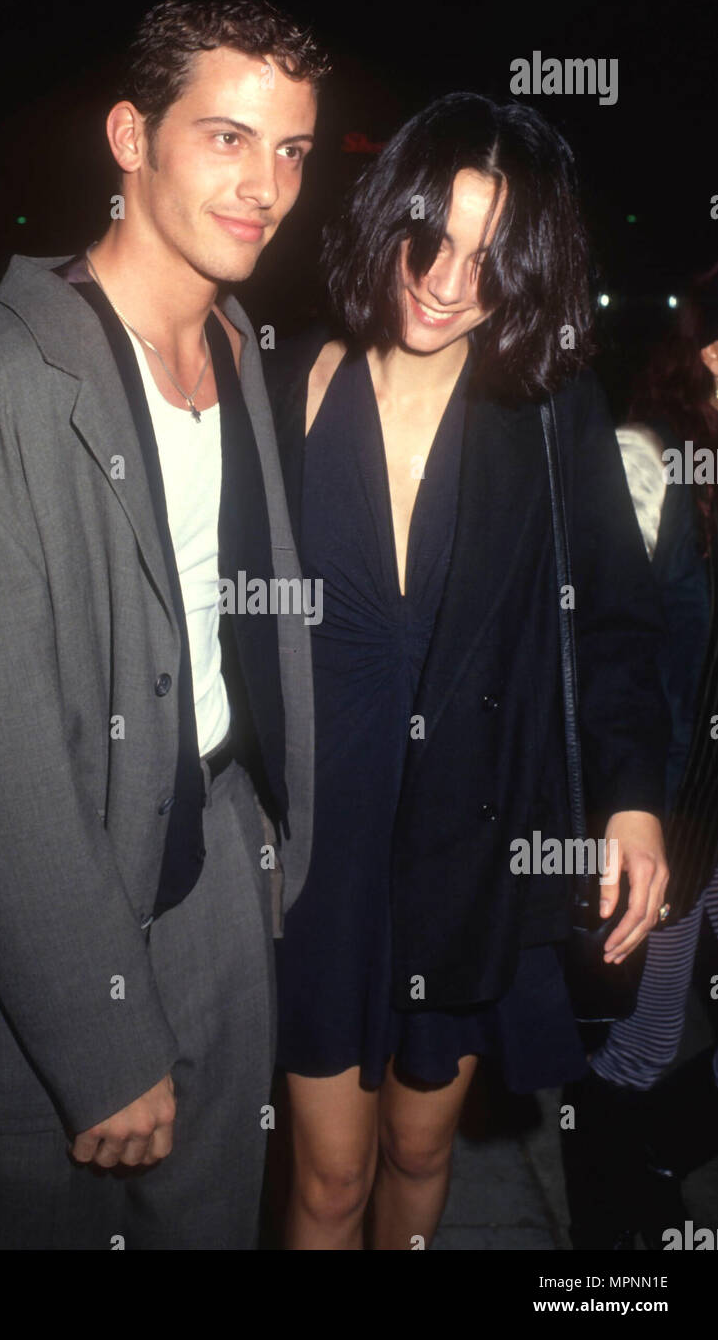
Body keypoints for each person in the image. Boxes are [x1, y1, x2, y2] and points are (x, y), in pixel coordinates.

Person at [0, 0, 327, 1250]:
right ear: (131, 138)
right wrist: (100, 1038)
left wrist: (271, 849)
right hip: (56, 923)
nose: (265, 186)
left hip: (222, 873)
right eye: (227, 138)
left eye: (290, 151)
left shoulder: (233, 342)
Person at [264, 92, 671, 1251]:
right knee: (329, 1177)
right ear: (387, 213)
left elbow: (616, 622)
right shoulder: (291, 380)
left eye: (490, 257)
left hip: (467, 847)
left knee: (420, 1148)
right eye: (429, 235)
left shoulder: (547, 414)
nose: (447, 281)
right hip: (319, 851)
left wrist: (632, 795)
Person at [561, 264, 718, 1250]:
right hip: (667, 809)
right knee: (644, 1040)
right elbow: (595, 648)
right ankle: (616, 1233)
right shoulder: (643, 460)